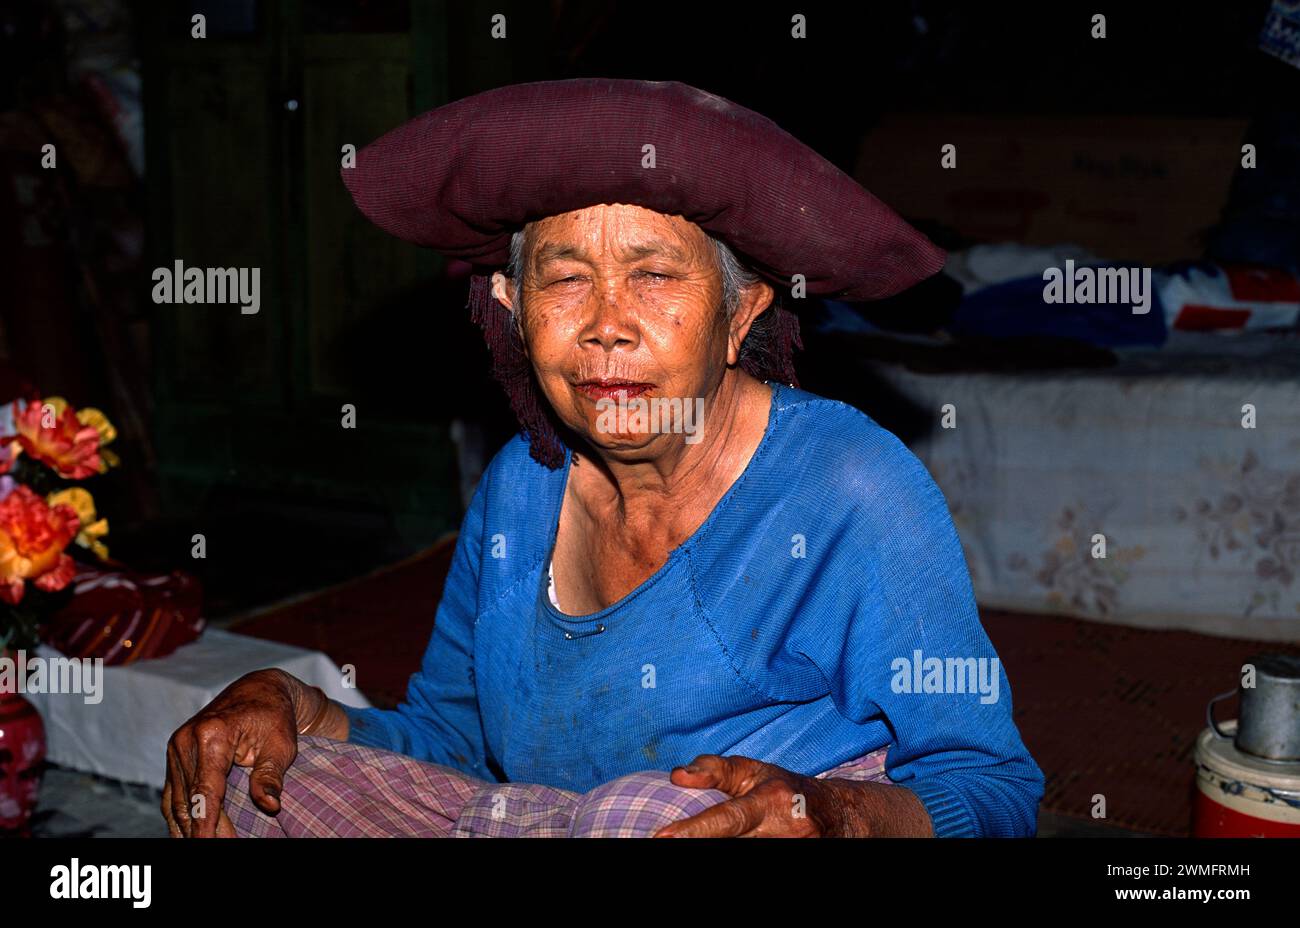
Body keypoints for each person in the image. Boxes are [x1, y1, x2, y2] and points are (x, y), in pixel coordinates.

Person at [162, 79, 1043, 838]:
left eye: (655, 276)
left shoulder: (848, 486)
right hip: (544, 820)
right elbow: (450, 744)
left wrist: (835, 814)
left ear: (741, 315)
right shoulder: (520, 487)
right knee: (247, 786)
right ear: (511, 309)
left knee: (639, 819)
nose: (606, 323)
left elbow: (992, 787)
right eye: (565, 277)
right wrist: (295, 707)